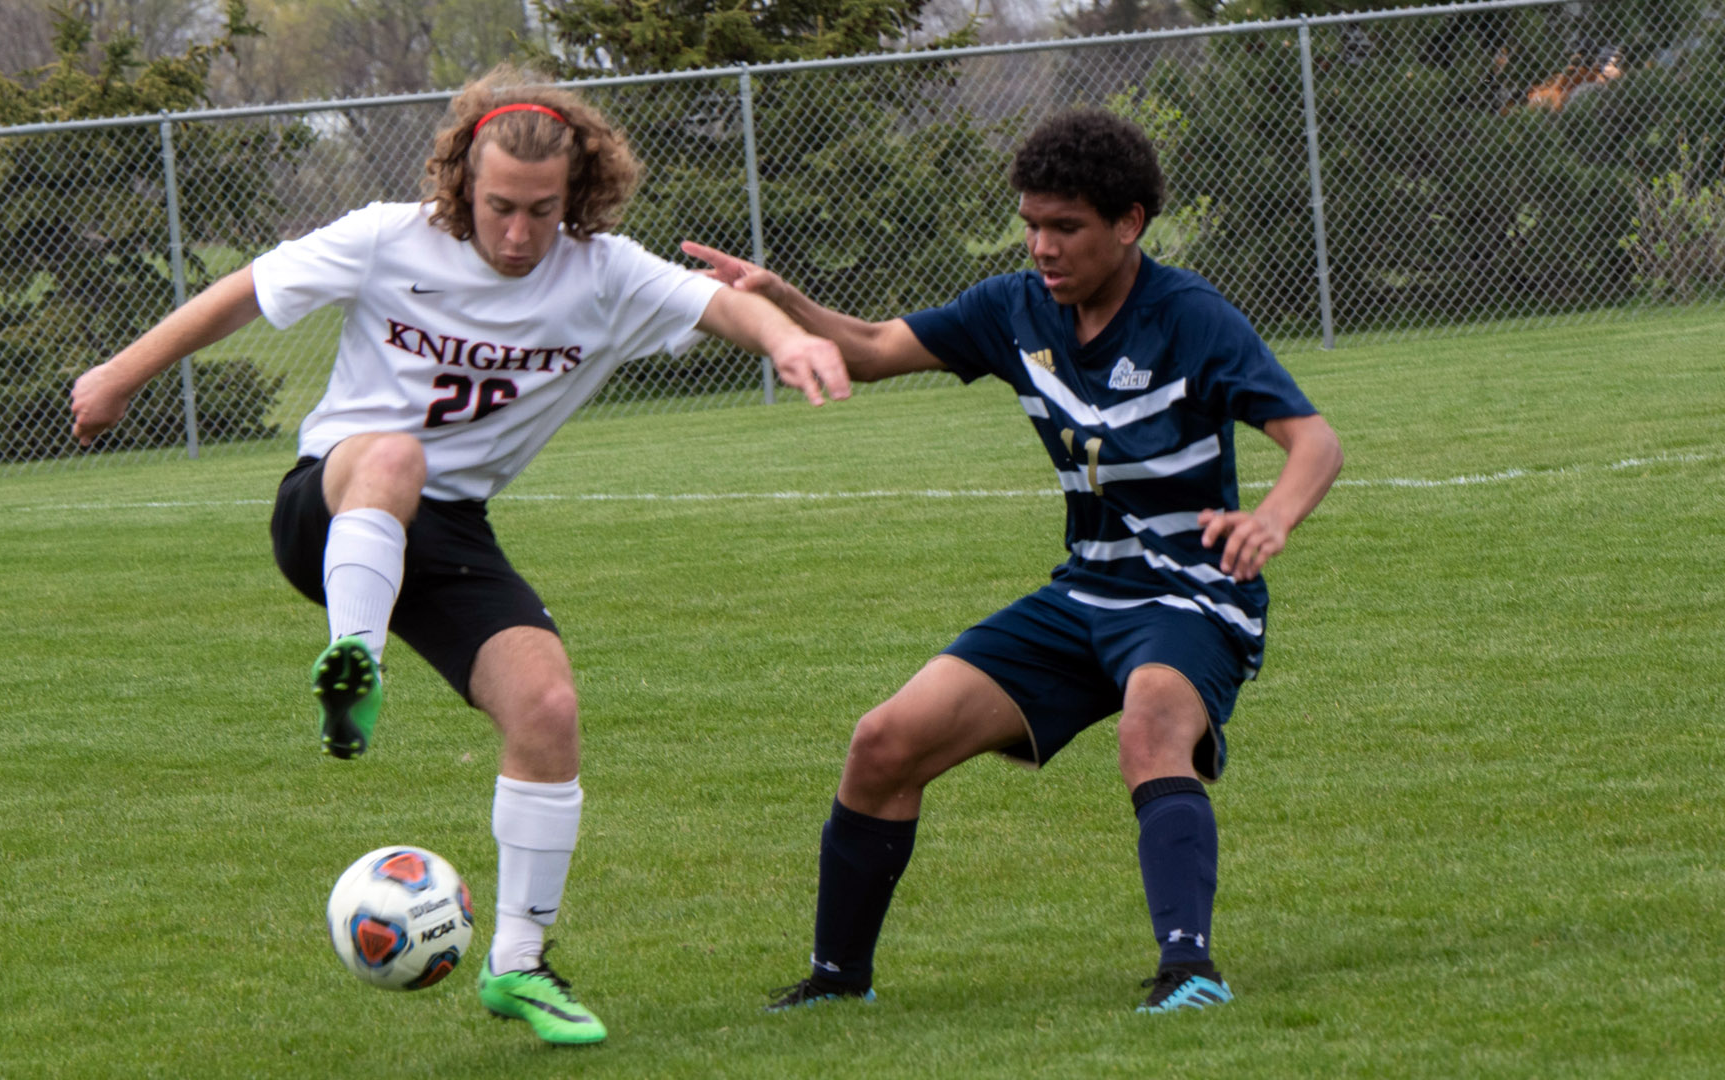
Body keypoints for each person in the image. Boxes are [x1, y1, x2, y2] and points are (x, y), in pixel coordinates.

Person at [71, 67, 849, 1046]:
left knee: (548, 707)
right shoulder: (389, 237)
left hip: (452, 532)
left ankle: (518, 965)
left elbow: (722, 306)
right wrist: (119, 375)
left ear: (578, 196)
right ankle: (353, 663)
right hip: (333, 500)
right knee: (395, 454)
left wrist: (785, 340)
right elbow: (246, 293)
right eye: (498, 208)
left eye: (541, 210)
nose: (518, 233)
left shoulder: (603, 273)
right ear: (459, 185)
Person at [683, 107, 1342, 1014]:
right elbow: (872, 351)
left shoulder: (1192, 318)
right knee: (883, 742)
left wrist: (1269, 517)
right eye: (1032, 223)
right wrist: (781, 300)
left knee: (1149, 725)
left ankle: (1189, 970)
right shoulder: (1012, 309)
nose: (1042, 245)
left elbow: (1315, 443)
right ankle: (839, 983)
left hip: (1193, 596)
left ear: (1129, 223)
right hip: (1086, 593)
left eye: (1065, 225)